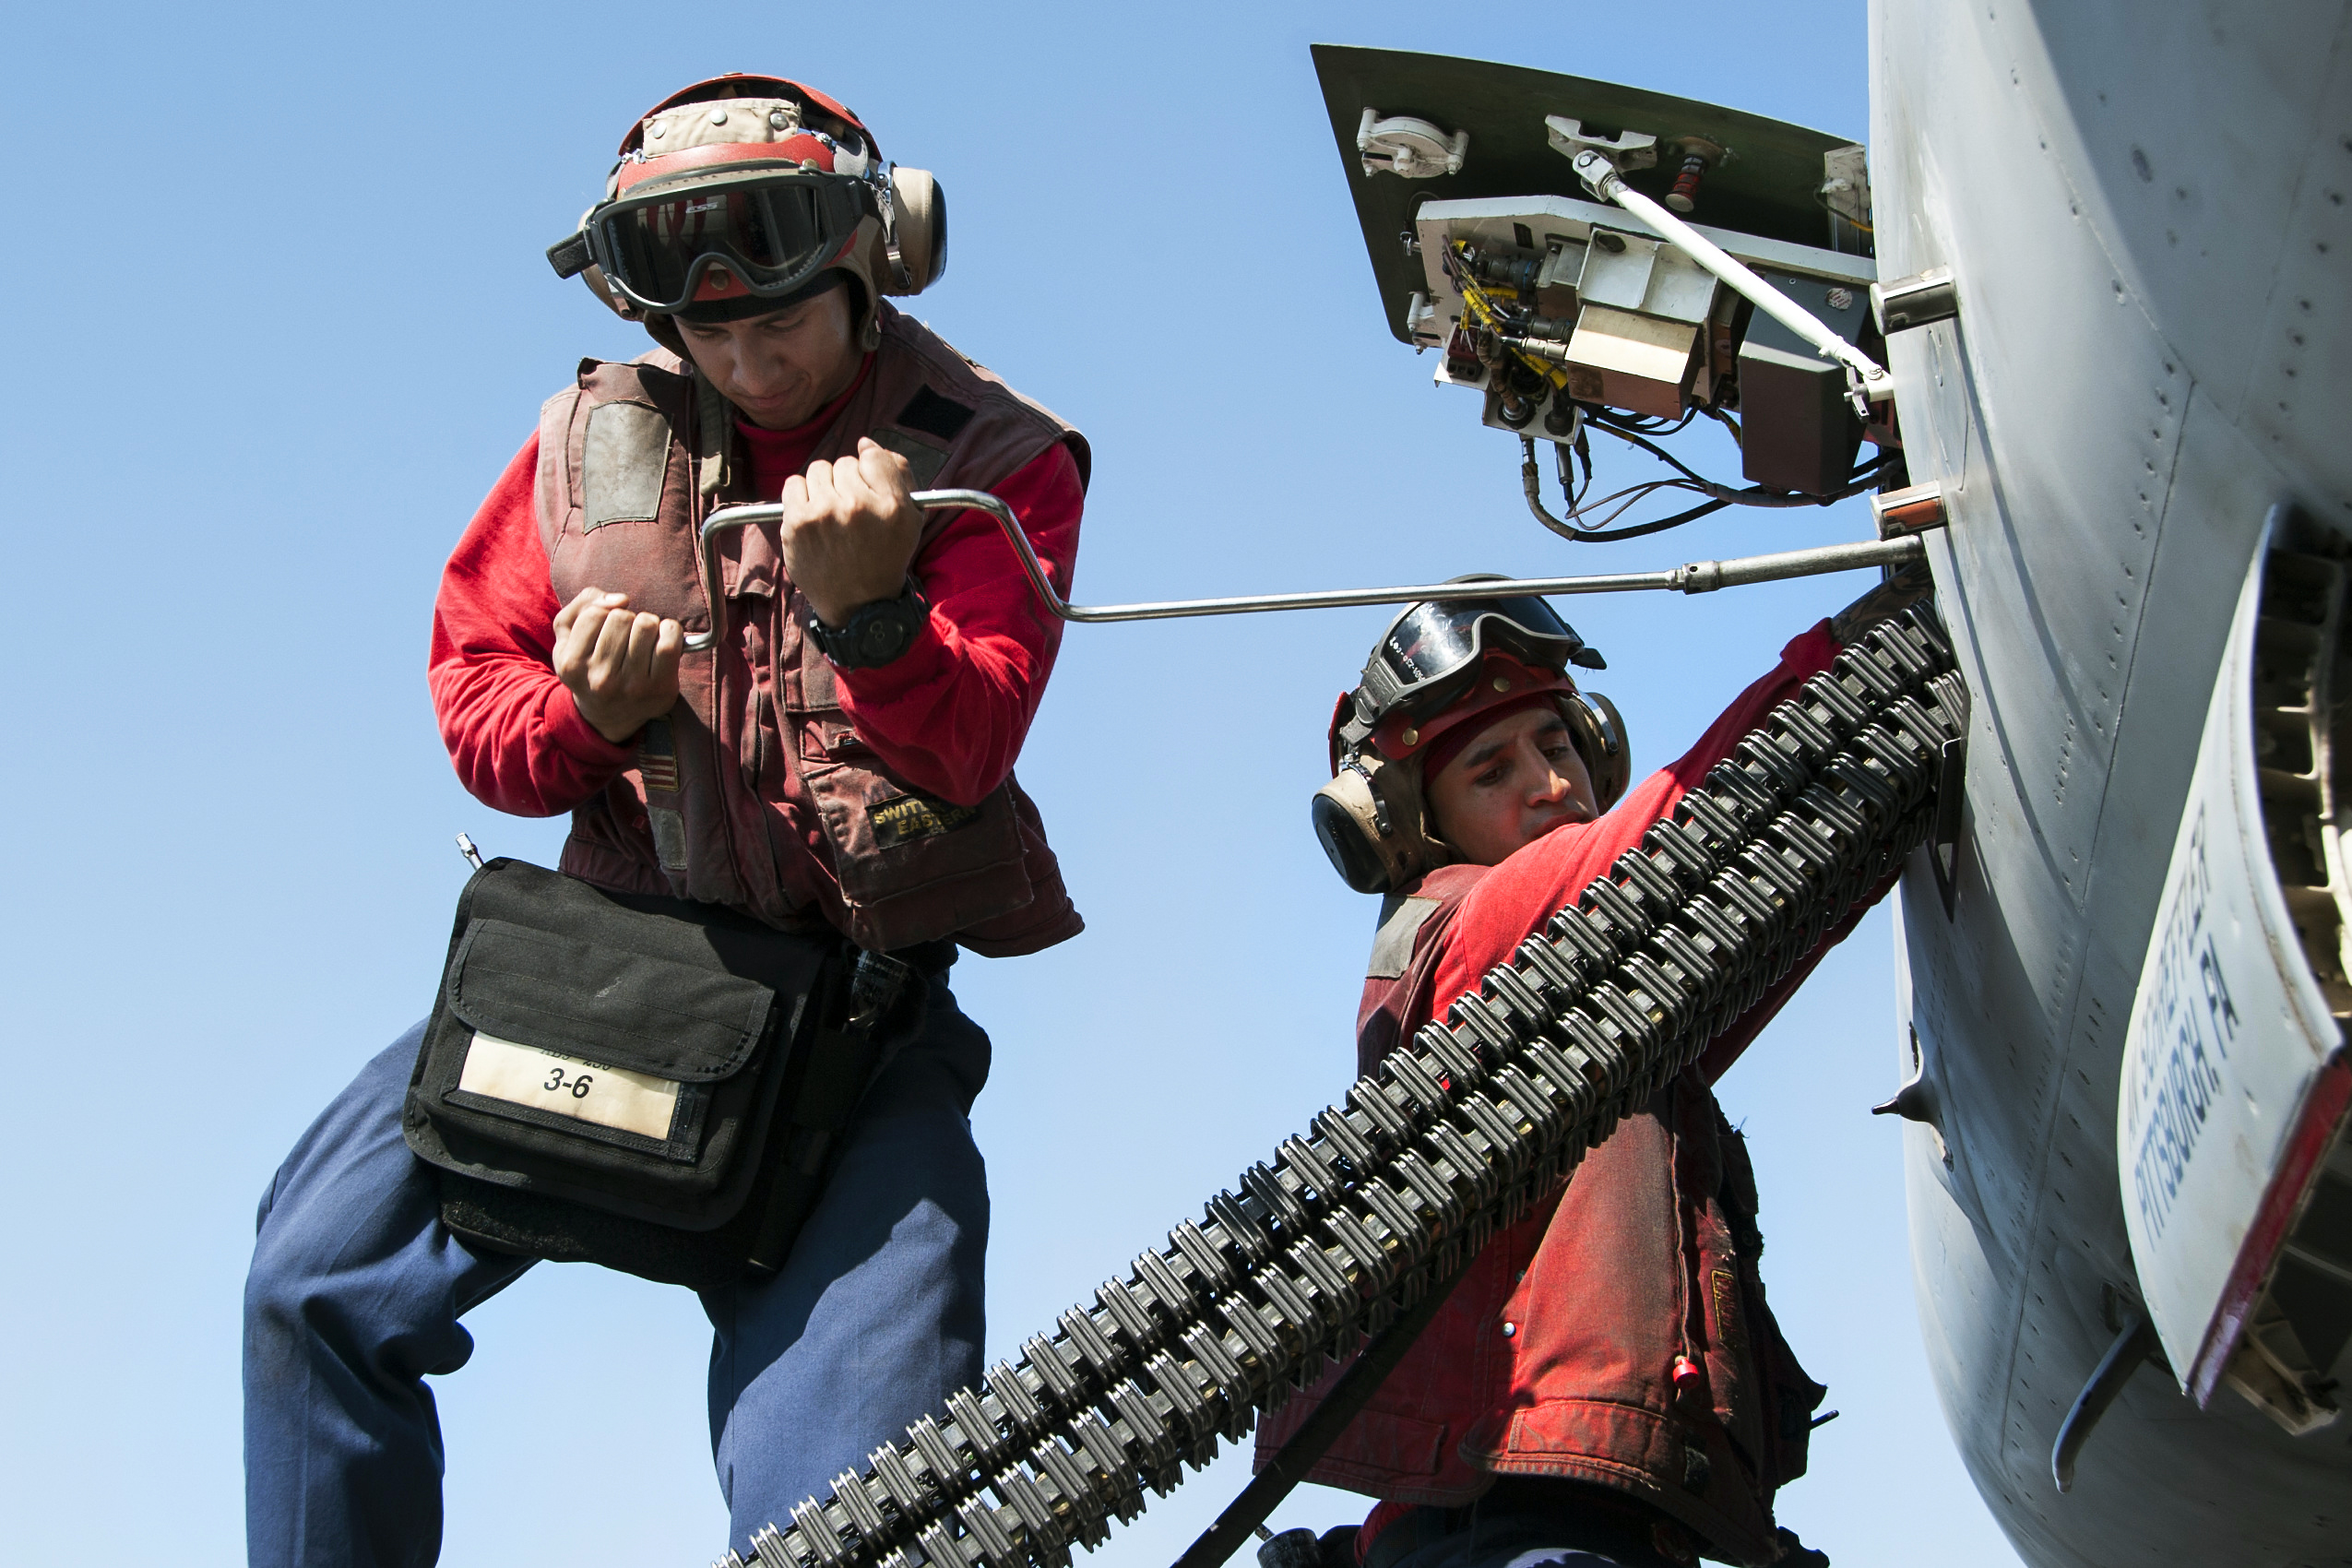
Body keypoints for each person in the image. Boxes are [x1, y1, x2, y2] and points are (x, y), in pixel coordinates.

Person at [243, 73, 1089, 1567]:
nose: (751, 360)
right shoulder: (585, 444)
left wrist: (878, 615)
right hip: (612, 971)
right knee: (312, 1283)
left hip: (858, 1031)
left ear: (872, 263)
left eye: (784, 322)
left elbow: (968, 749)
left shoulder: (998, 461)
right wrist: (582, 717)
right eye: (711, 332)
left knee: (868, 1499)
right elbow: (475, 712)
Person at [1268, 576, 1930, 1568]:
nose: (1549, 782)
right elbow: (1671, 849)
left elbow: (1787, 905)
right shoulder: (1458, 939)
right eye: (1491, 769)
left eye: (1558, 742)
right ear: (1418, 827)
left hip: (1610, 1513)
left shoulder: (1615, 1021)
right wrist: (1839, 660)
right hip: (1509, 1513)